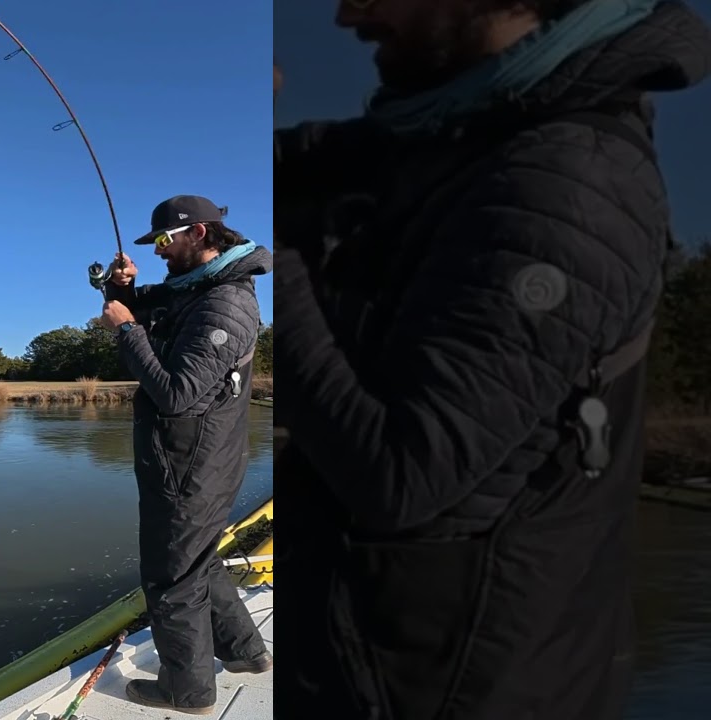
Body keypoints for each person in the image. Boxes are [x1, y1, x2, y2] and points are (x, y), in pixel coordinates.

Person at [273, 1, 710, 718]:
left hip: (439, 692)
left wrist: (267, 269)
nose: (346, 13)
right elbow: (318, 157)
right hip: (381, 670)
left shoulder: (568, 183)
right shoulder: (457, 126)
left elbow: (402, 477)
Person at [96, 194, 273, 714]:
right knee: (198, 562)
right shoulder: (196, 288)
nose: (157, 251)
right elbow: (147, 301)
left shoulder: (225, 304)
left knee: (170, 577)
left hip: (190, 467)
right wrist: (120, 290)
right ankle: (246, 654)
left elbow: (177, 393)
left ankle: (186, 691)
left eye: (164, 241)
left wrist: (127, 331)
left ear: (199, 233)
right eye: (152, 244)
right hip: (192, 460)